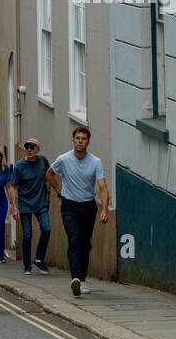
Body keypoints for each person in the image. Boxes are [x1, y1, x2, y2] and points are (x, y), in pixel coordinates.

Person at [46, 126, 110, 297]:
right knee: (74, 239)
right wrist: (59, 192)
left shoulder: (95, 162)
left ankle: (82, 279)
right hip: (69, 206)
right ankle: (75, 279)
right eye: (77, 138)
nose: (80, 141)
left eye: (83, 139)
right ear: (73, 140)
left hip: (88, 206)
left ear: (88, 142)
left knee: (84, 243)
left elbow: (103, 187)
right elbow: (49, 174)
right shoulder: (64, 159)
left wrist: (104, 209)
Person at [7, 138, 52, 274]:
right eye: (27, 147)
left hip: (40, 203)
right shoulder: (19, 166)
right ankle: (27, 265)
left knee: (46, 229)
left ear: (38, 149)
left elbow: (48, 178)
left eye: (33, 147)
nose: (29, 149)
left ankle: (39, 259)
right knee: (28, 234)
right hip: (25, 204)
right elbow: (12, 187)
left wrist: (48, 197)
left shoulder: (43, 161)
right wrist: (14, 207)